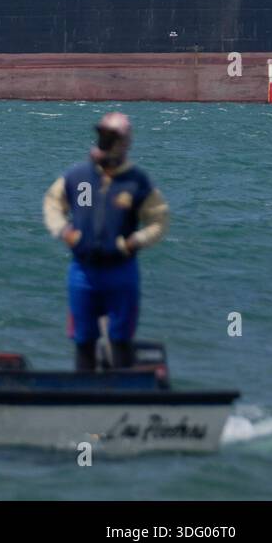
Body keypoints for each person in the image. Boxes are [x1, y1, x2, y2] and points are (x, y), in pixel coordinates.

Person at [42, 112, 170, 371]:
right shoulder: (77, 176)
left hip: (120, 272)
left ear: (125, 142)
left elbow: (159, 220)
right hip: (83, 272)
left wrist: (134, 241)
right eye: (102, 136)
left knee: (120, 338)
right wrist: (64, 232)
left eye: (111, 138)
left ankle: (122, 395)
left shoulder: (137, 182)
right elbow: (52, 203)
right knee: (83, 339)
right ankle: (83, 397)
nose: (105, 142)